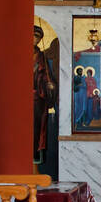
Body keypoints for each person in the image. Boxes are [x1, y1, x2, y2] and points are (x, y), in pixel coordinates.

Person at [33, 26, 57, 164]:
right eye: (33, 35)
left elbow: (47, 74)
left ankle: (36, 154)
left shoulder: (41, 56)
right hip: (20, 96)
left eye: (38, 37)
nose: (35, 39)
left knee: (37, 127)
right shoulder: (18, 52)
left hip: (37, 97)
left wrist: (50, 84)